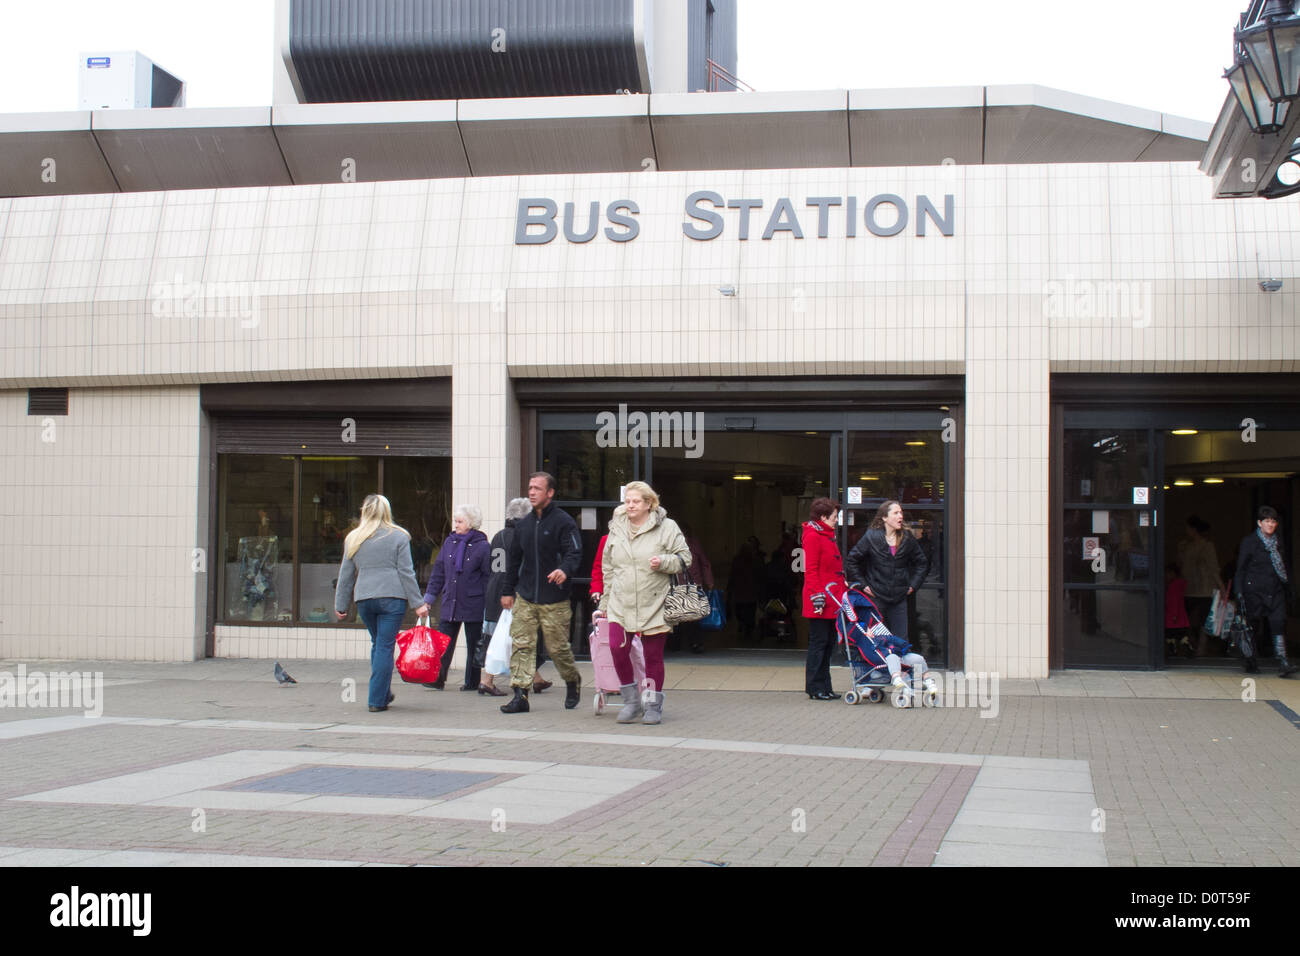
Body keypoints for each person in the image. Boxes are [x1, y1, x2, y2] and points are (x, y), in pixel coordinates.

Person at [594, 481, 691, 725]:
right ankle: (631, 701)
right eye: (627, 501)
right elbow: (608, 567)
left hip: (654, 602)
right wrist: (604, 603)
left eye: (636, 501)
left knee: (652, 656)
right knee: (617, 648)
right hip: (620, 602)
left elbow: (684, 558)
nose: (630, 505)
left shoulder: (667, 527)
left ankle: (652, 705)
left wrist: (664, 562)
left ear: (649, 503)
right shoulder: (616, 527)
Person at [333, 494, 430, 712]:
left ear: (364, 511)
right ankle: (376, 700)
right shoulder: (399, 536)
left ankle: (383, 692)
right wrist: (418, 603)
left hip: (364, 598)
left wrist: (341, 605)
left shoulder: (353, 538)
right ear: (387, 511)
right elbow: (406, 572)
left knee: (378, 645)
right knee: (385, 646)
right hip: (392, 598)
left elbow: (346, 574)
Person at [499, 472, 584, 713]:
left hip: (554, 598)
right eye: (530, 487)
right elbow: (513, 561)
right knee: (521, 645)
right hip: (525, 597)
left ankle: (571, 681)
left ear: (550, 493)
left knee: (557, 649)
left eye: (537, 488)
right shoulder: (523, 525)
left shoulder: (563, 522)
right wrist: (507, 591)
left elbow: (574, 553)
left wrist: (564, 570)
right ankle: (520, 696)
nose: (532, 492)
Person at [421, 505, 492, 691]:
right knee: (443, 641)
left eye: (460, 522)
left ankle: (472, 682)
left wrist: (489, 603)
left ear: (471, 524)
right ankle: (437, 678)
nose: (456, 525)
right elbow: (439, 572)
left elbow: (488, 577)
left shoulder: (483, 546)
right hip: (450, 600)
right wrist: (428, 598)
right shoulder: (449, 543)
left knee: (473, 643)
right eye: (456, 521)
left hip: (473, 602)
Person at [844, 500, 929, 643]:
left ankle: (899, 665)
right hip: (876, 596)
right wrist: (863, 585)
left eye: (901, 512)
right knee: (877, 639)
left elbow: (922, 563)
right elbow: (852, 561)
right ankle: (881, 666)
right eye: (896, 513)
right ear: (884, 517)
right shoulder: (871, 537)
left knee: (901, 640)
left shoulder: (907, 538)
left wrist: (913, 585)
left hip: (899, 597)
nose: (900, 516)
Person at [1235, 505, 1296, 677]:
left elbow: (1285, 567)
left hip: (1275, 590)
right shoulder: (1249, 542)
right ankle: (1250, 659)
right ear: (1259, 523)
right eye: (1267, 521)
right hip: (1253, 590)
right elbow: (1241, 568)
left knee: (1278, 623)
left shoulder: (1278, 542)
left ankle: (1283, 661)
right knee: (1253, 626)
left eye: (1273, 521)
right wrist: (1238, 592)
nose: (1270, 524)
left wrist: (1290, 588)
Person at [479, 497, 530, 696]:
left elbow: (494, 564)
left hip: (494, 590)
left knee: (491, 636)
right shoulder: (524, 536)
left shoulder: (498, 536)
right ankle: (493, 680)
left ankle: (487, 680)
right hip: (514, 592)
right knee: (519, 638)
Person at [801, 497, 844, 700]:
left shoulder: (827, 534)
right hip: (821, 599)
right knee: (819, 643)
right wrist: (817, 595)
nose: (837, 520)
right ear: (824, 517)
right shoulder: (813, 536)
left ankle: (825, 686)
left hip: (832, 598)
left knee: (827, 645)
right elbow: (811, 571)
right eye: (834, 517)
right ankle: (814, 687)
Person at [1178, 515, 1223, 655]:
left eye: (1187, 528)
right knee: (1194, 621)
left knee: (1200, 620)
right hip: (1193, 589)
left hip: (1202, 589)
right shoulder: (1186, 546)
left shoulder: (1206, 546)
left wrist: (1221, 588)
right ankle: (1196, 646)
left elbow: (1213, 568)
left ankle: (1199, 647)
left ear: (1193, 529)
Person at [1164, 563, 1192, 659]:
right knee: (1181, 635)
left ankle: (1174, 651)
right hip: (1179, 618)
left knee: (1170, 635)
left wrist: (1174, 615)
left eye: (1167, 573)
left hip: (1172, 617)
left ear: (1173, 574)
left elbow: (1173, 601)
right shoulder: (1179, 585)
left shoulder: (1173, 586)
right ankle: (1186, 648)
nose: (1165, 576)